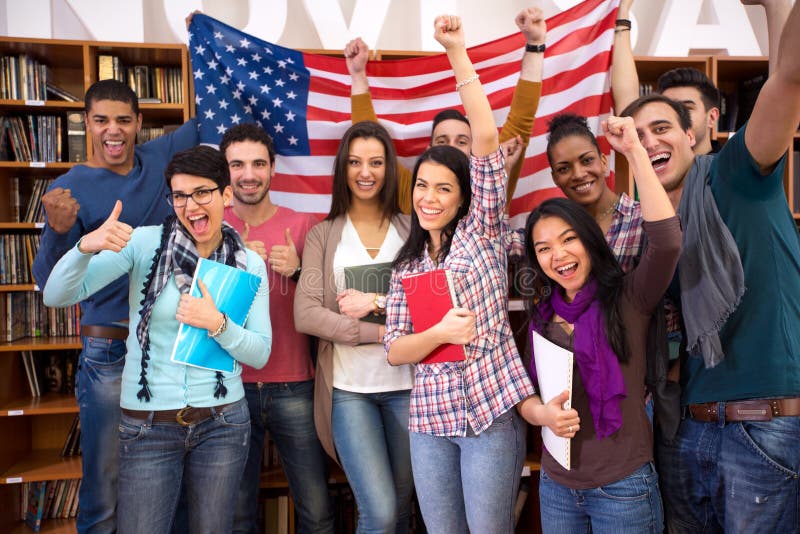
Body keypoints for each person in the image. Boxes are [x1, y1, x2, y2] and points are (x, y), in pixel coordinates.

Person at [620, 2, 800, 529]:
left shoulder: (739, 172)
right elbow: (626, 107)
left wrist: (777, 5)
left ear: (694, 134)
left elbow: (788, 80)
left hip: (762, 425)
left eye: (662, 128)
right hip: (686, 429)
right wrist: (620, 22)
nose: (650, 140)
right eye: (638, 135)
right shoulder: (650, 224)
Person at [42, 145, 272, 533]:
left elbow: (261, 353)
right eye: (180, 196)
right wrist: (85, 247)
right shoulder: (144, 244)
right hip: (147, 425)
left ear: (226, 195)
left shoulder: (249, 263)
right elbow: (55, 296)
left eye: (202, 192)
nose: (191, 205)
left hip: (222, 424)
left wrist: (218, 324)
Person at [385, 15, 535, 533]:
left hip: (487, 417)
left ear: (464, 195)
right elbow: (395, 349)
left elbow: (488, 135)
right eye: (422, 186)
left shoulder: (483, 232)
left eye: (443, 188)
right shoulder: (406, 264)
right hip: (428, 423)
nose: (429, 197)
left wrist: (455, 52)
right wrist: (439, 333)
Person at [31, 79, 198, 534]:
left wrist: (199, 35)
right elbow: (47, 285)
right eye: (101, 120)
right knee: (104, 486)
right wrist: (61, 232)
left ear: (139, 123)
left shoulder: (160, 157)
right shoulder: (68, 188)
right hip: (110, 354)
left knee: (174, 480)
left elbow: (211, 113)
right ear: (86, 123)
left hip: (167, 349)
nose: (114, 130)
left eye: (124, 119)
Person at [517, 113, 680, 533]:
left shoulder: (628, 297)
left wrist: (635, 154)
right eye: (544, 248)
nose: (559, 255)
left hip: (623, 486)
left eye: (569, 239)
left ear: (590, 242)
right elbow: (521, 390)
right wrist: (539, 414)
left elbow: (667, 241)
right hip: (556, 486)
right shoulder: (540, 317)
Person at [294, 121, 415, 533]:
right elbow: (306, 313)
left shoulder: (412, 230)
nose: (366, 172)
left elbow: (431, 308)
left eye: (377, 162)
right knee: (378, 513)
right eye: (356, 162)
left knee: (401, 511)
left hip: (409, 389)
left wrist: (381, 306)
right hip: (349, 393)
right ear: (342, 169)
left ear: (390, 169)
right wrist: (380, 333)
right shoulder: (322, 235)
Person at [219, 123, 334, 534]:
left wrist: (300, 270)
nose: (248, 174)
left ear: (272, 169)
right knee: (235, 515)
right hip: (230, 387)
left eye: (257, 164)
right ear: (225, 171)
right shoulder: (212, 229)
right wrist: (238, 268)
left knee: (317, 511)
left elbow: (333, 302)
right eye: (237, 164)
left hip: (295, 386)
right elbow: (192, 309)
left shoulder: (305, 225)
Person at [345, 5, 546, 211]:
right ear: (429, 151)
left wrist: (535, 44)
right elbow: (367, 140)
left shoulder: (491, 185)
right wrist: (358, 75)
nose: (451, 147)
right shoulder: (412, 190)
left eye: (462, 141)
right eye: (442, 140)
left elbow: (521, 120)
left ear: (475, 150)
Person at [545, 113, 642, 273]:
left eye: (587, 160)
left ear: (603, 162)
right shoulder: (553, 228)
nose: (578, 174)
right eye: (564, 169)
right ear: (555, 178)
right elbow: (501, 242)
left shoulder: (642, 218)